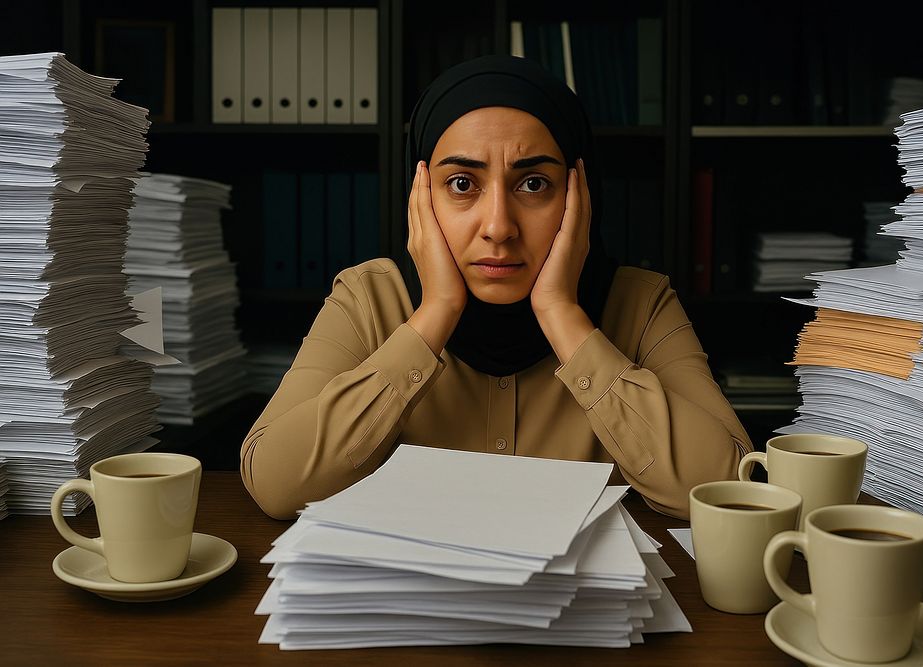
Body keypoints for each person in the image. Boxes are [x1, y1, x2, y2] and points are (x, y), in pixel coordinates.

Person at [240, 55, 752, 520]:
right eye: (462, 184)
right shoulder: (368, 298)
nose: (499, 227)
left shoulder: (640, 302)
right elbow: (277, 484)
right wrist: (436, 312)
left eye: (534, 184)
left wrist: (562, 314)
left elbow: (730, 484)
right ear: (421, 196)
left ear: (579, 194)